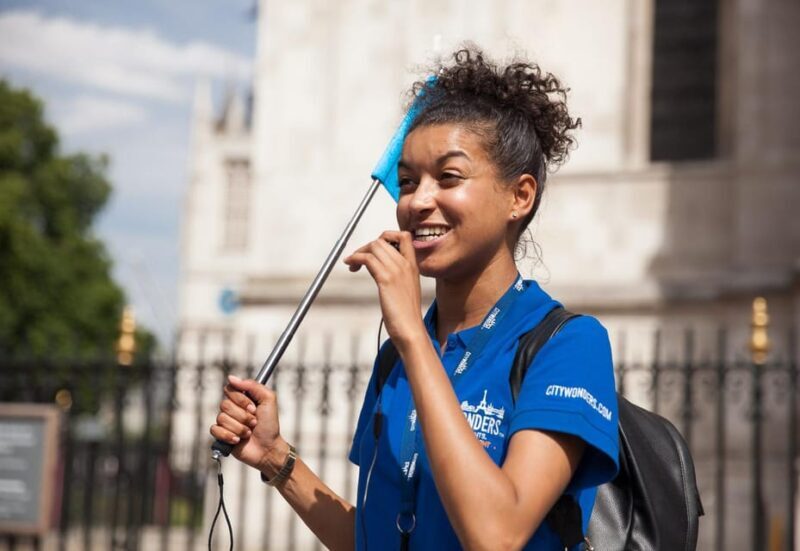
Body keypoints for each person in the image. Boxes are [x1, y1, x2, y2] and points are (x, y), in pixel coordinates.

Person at [210, 46, 619, 550]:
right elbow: (374, 538)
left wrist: (409, 334)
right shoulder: (398, 358)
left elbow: (497, 535)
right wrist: (276, 458)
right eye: (407, 181)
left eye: (448, 177)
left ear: (520, 196)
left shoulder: (568, 344)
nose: (417, 201)